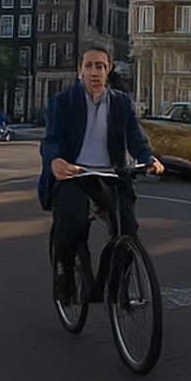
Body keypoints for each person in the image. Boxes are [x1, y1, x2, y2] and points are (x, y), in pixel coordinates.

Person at [39, 45, 163, 303]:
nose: (94, 72)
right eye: (89, 66)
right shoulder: (62, 103)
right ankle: (66, 272)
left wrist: (148, 159)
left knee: (128, 231)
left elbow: (136, 140)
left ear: (109, 71)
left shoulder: (121, 104)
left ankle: (117, 284)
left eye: (100, 66)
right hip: (76, 175)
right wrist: (55, 161)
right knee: (71, 222)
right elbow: (51, 141)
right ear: (79, 70)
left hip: (112, 177)